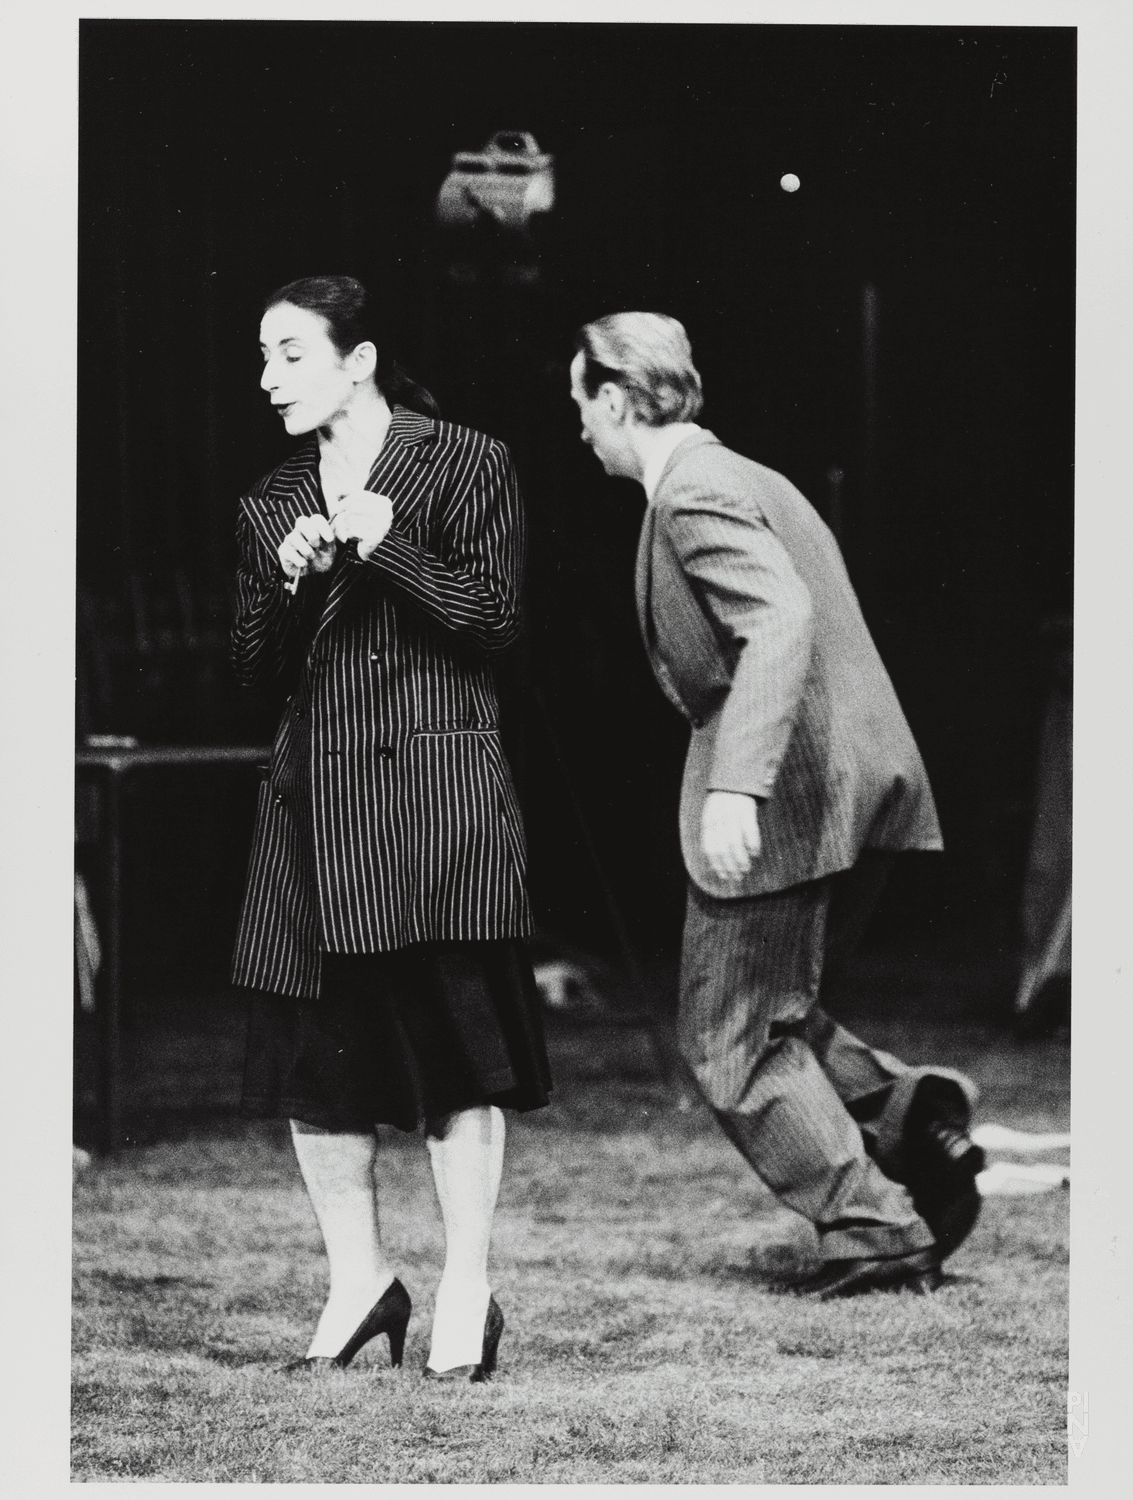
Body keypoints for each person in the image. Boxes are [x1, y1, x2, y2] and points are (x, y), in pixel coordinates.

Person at [569, 311, 985, 1298]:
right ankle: (904, 1112)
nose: (577, 427)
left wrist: (734, 785)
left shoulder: (693, 492)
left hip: (789, 796)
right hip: (855, 785)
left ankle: (873, 1227)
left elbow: (779, 619)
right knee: (773, 1015)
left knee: (728, 1035)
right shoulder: (751, 475)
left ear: (617, 399)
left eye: (579, 404)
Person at [230, 274, 550, 1378]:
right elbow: (248, 675)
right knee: (320, 1077)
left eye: (289, 355)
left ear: (357, 360)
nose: (267, 378)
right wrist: (284, 585)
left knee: (456, 1064)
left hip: (435, 814)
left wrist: (387, 545)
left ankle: (466, 1287)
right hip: (314, 821)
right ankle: (360, 1280)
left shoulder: (465, 460)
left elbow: (499, 622)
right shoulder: (269, 501)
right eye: (264, 358)